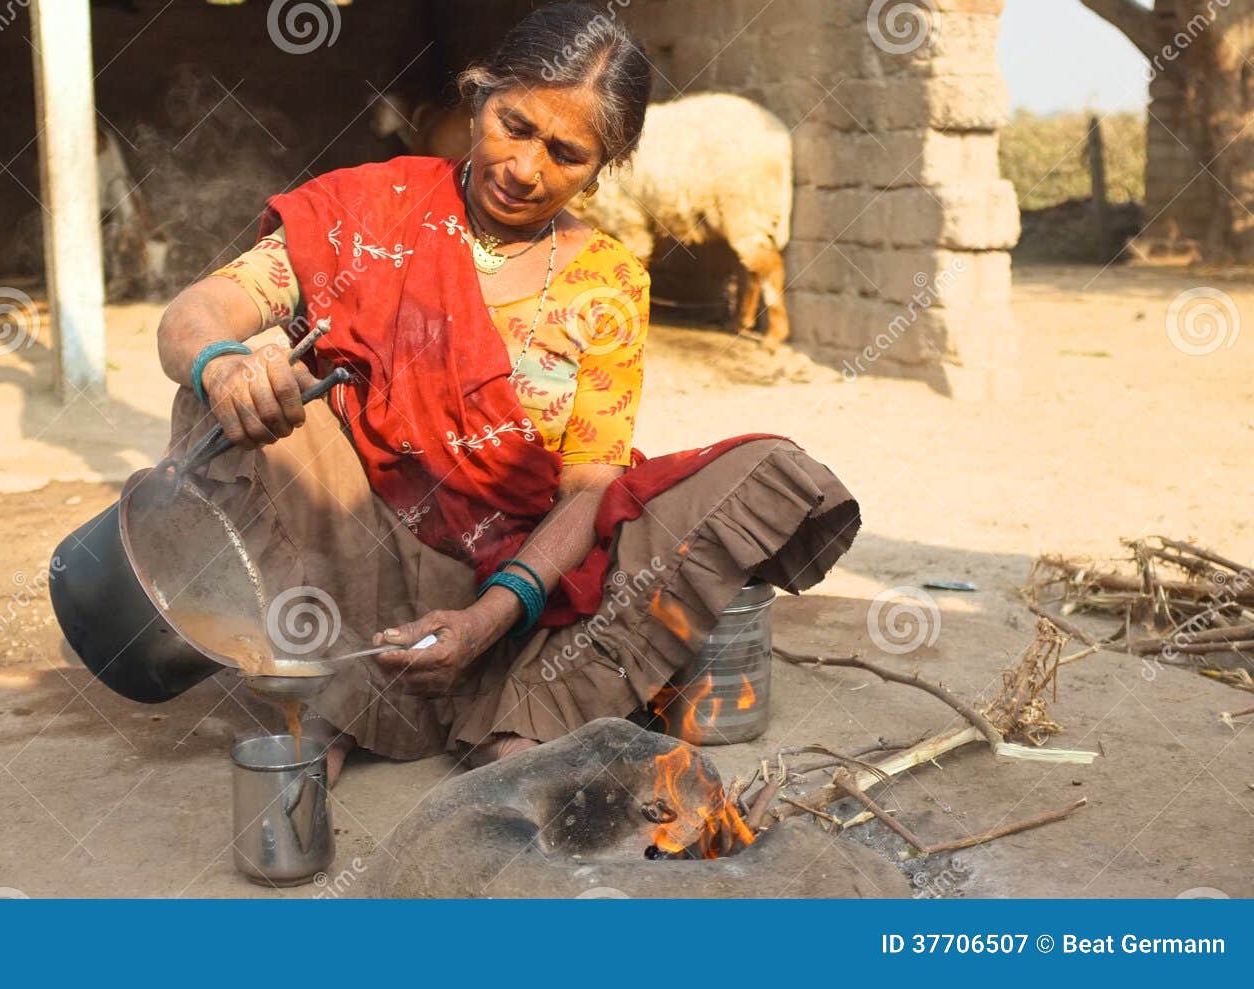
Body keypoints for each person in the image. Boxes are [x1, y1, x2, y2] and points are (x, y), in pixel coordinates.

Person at [155, 3, 859, 783]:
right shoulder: (369, 213)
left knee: (750, 472)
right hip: (362, 561)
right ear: (479, 94)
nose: (525, 170)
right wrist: (223, 365)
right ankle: (334, 693)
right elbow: (197, 313)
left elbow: (588, 489)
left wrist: (489, 616)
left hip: (521, 584)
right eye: (514, 125)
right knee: (231, 398)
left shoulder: (608, 281)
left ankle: (509, 705)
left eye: (566, 154)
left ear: (607, 168)